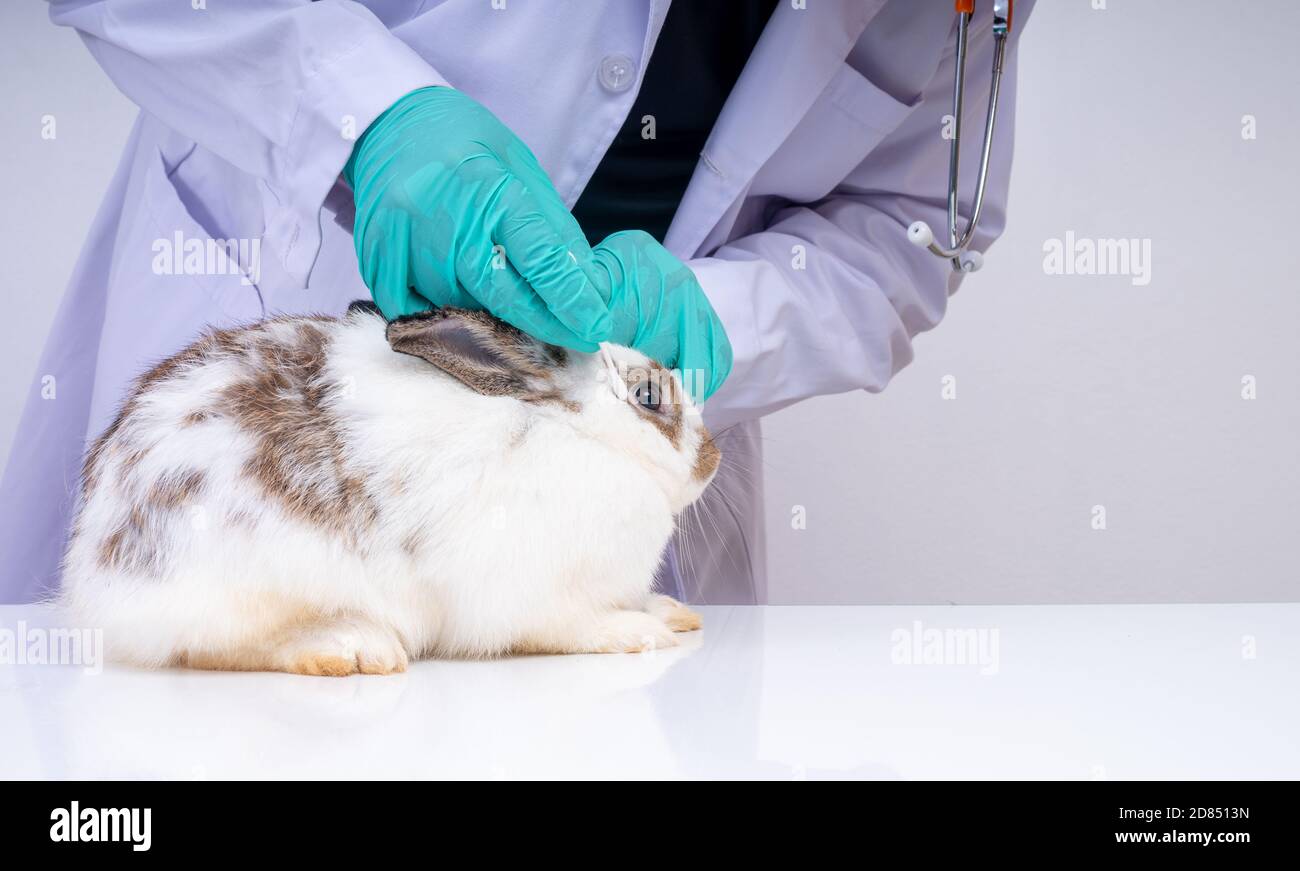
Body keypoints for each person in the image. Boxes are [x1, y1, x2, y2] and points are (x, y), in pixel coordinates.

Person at [1, 0, 1033, 604]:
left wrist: (720, 318)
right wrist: (367, 115)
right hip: (289, 349)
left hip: (613, 478)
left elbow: (912, 224)